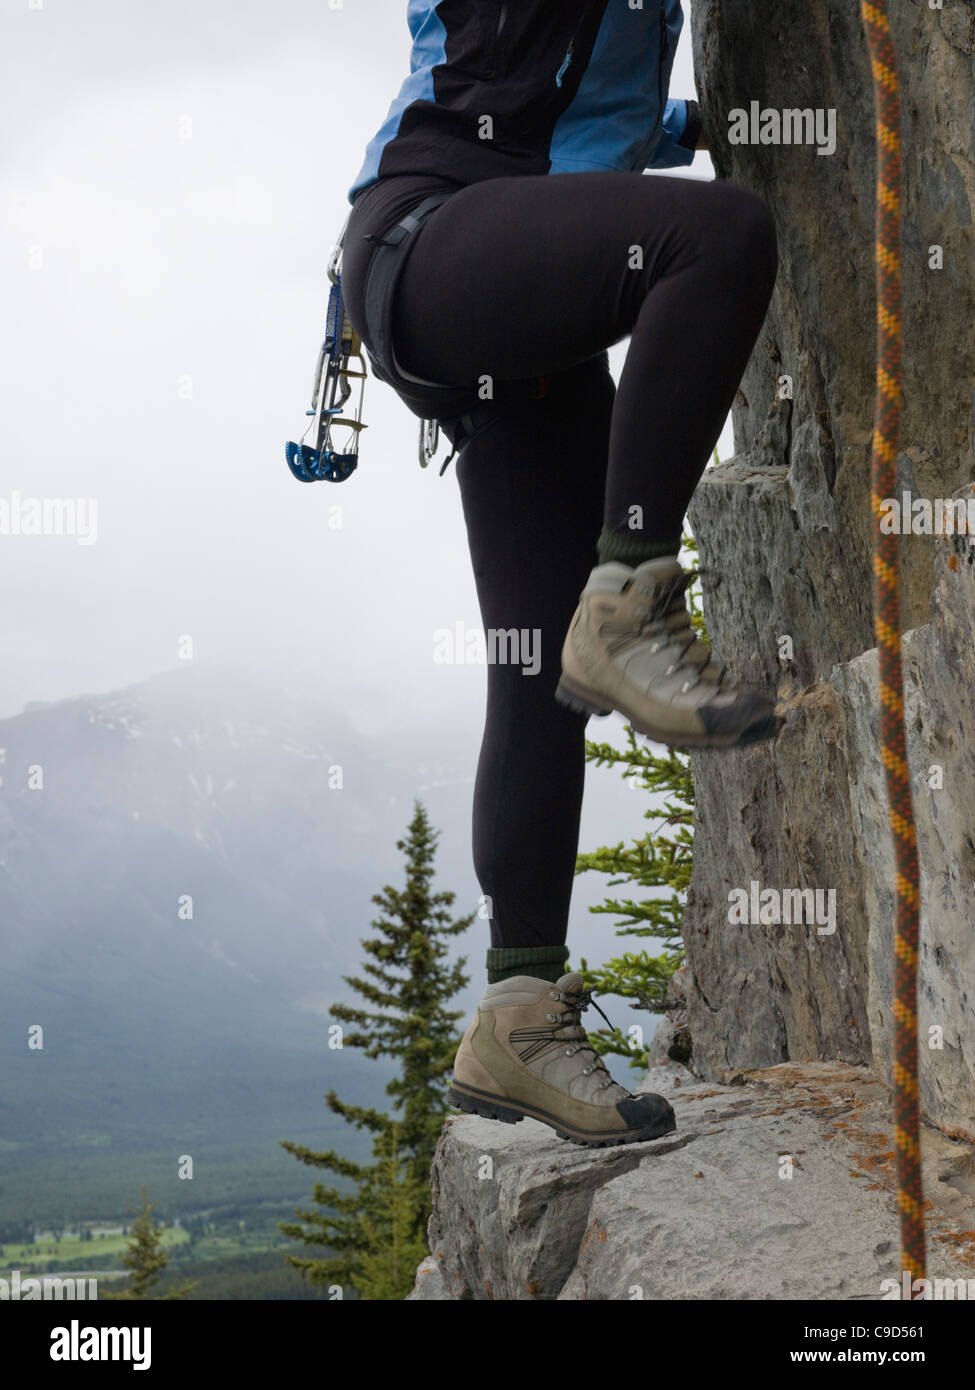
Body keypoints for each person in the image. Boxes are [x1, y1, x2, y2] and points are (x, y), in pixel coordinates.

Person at [340, 1, 779, 1147]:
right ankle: (631, 591)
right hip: (435, 236)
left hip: (515, 325)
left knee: (535, 667)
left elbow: (592, 99)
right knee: (718, 241)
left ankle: (516, 1015)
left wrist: (700, 119)